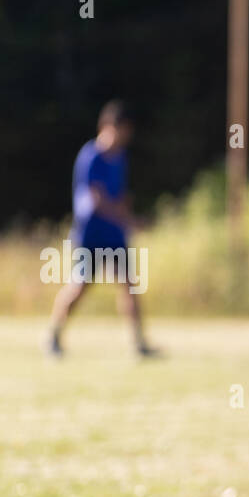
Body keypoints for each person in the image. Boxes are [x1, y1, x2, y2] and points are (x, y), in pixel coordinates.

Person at [45, 101, 158, 358]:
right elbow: (97, 200)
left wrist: (126, 216)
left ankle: (139, 343)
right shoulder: (91, 156)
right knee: (79, 286)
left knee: (129, 285)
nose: (125, 136)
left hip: (114, 234)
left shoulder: (120, 158)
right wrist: (127, 218)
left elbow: (119, 197)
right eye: (123, 130)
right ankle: (53, 334)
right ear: (108, 127)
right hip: (91, 235)